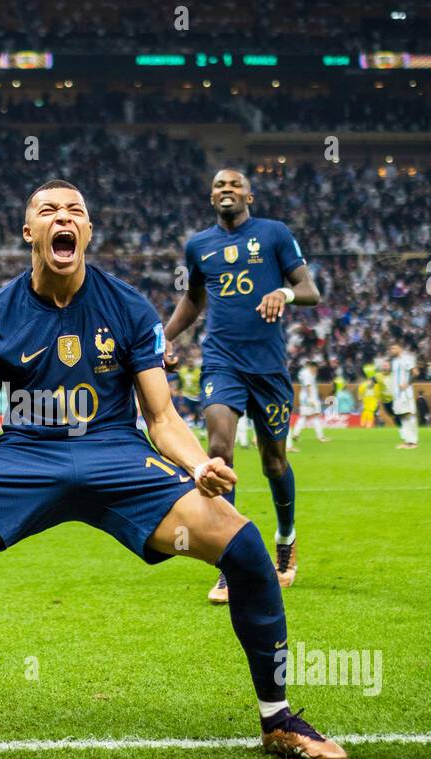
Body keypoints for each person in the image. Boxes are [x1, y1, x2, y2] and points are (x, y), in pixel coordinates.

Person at [0, 180, 346, 759]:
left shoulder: (130, 307)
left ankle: (278, 720)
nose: (63, 217)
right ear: (30, 232)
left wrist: (199, 465)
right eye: (49, 210)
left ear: (87, 232)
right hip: (25, 459)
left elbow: (161, 417)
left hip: (117, 456)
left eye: (75, 212)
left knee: (243, 546)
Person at [162, 168, 320, 600]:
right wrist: (165, 338)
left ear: (249, 195)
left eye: (234, 185)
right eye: (219, 185)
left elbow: (310, 289)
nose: (226, 190)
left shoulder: (274, 234)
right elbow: (194, 299)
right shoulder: (198, 245)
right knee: (219, 451)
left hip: (268, 367)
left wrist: (284, 294)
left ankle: (285, 539)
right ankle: (231, 560)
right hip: (221, 363)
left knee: (274, 463)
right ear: (211, 197)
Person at [288, 361, 328, 452]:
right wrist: (311, 399)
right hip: (308, 397)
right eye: (315, 369)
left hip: (306, 397)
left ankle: (295, 434)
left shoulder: (304, 373)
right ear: (311, 367)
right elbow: (308, 386)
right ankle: (320, 436)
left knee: (304, 416)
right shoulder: (306, 374)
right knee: (315, 415)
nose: (315, 371)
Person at [390, 343, 418, 449]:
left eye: (394, 348)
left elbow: (415, 372)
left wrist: (407, 384)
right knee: (402, 416)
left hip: (405, 393)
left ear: (400, 348)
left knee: (409, 415)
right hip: (397, 394)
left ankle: (413, 442)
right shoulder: (394, 361)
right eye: (391, 349)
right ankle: (407, 441)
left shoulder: (407, 359)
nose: (392, 350)